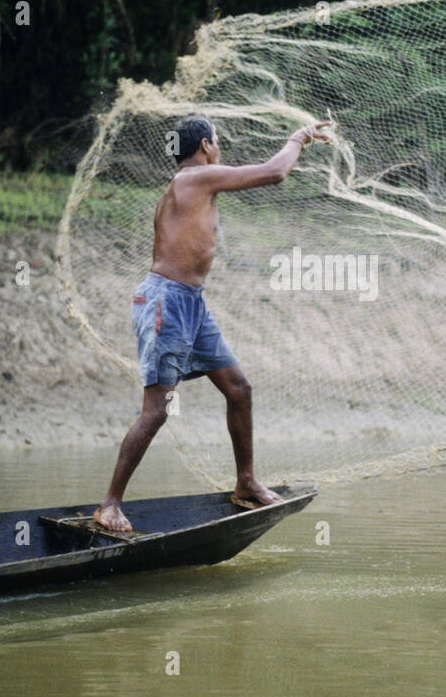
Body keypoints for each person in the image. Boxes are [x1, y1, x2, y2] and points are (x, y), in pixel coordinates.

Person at [93, 114, 335, 531]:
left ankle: (245, 482)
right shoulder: (193, 179)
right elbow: (275, 172)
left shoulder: (193, 183)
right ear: (205, 145)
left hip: (191, 303)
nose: (219, 149)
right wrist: (300, 136)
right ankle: (109, 505)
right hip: (165, 302)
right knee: (157, 411)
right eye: (217, 142)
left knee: (238, 388)